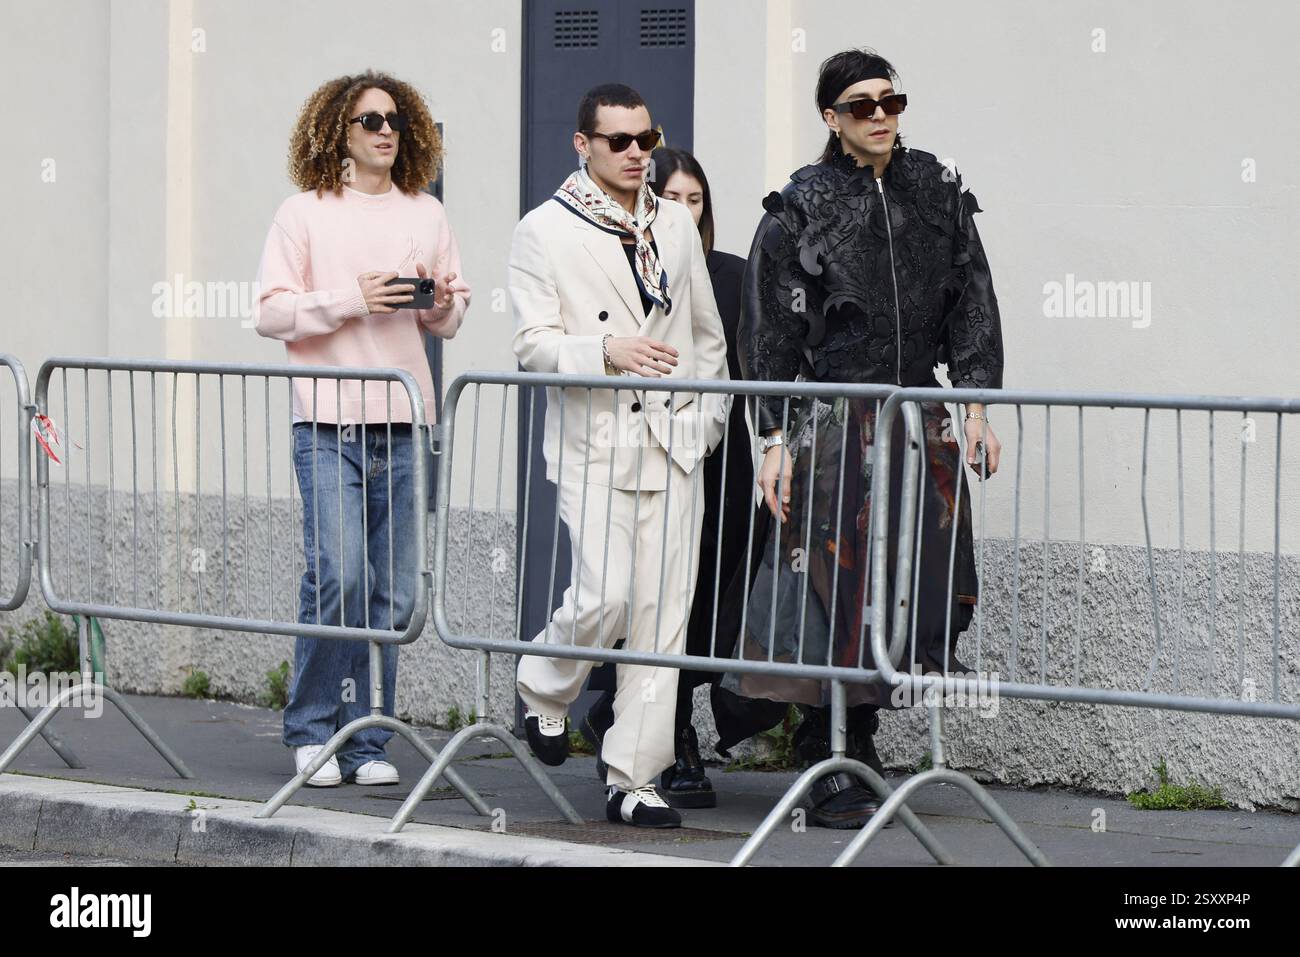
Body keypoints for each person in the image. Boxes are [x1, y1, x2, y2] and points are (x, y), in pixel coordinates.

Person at [725, 48, 1005, 828]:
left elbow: (973, 298)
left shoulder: (938, 190)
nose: (880, 114)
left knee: (915, 584)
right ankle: (825, 749)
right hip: (832, 419)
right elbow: (769, 329)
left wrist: (977, 403)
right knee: (833, 590)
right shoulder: (800, 203)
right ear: (830, 117)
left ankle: (866, 739)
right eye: (860, 104)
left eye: (891, 100)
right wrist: (773, 436)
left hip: (920, 416)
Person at [509, 84, 730, 828]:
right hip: (596, 442)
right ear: (584, 145)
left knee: (664, 622)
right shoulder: (544, 230)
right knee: (604, 598)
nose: (638, 153)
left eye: (646, 139)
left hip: (673, 445)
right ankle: (542, 687)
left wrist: (705, 422)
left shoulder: (672, 223)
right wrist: (606, 348)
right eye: (620, 142)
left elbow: (705, 336)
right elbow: (532, 346)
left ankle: (634, 777)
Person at [254, 70, 470, 787]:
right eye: (369, 120)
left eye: (395, 121)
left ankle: (367, 741)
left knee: (396, 594)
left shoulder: (426, 214)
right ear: (337, 132)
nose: (385, 131)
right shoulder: (303, 213)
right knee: (339, 576)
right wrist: (352, 298)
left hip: (406, 423)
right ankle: (313, 729)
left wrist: (436, 300)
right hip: (327, 424)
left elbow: (451, 315)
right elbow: (270, 312)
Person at [580, 148, 752, 809]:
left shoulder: (732, 274)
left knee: (707, 594)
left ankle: (661, 723)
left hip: (722, 456)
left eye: (695, 200)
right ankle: (665, 733)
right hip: (647, 454)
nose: (683, 210)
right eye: (670, 197)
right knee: (647, 595)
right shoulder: (629, 274)